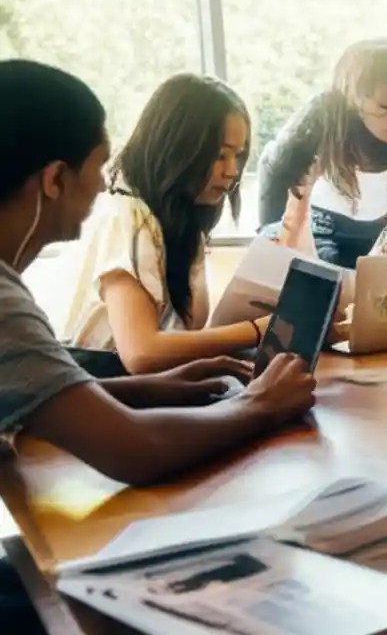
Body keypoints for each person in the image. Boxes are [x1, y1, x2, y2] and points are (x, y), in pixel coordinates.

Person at [0, 60, 318, 485]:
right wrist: (261, 404)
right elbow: (132, 450)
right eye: (96, 167)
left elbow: (36, 400)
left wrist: (154, 387)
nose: (101, 184)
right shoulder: (6, 307)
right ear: (55, 178)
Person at [63, 75, 272, 374]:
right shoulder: (125, 216)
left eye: (238, 156)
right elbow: (142, 354)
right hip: (103, 397)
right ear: (176, 148)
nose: (232, 171)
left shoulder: (184, 221)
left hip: (149, 396)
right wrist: (258, 329)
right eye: (218, 155)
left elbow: (182, 336)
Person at [257, 38, 387, 267]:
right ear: (352, 100)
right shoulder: (323, 116)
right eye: (385, 108)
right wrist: (274, 248)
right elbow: (272, 167)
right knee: (328, 284)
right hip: (322, 224)